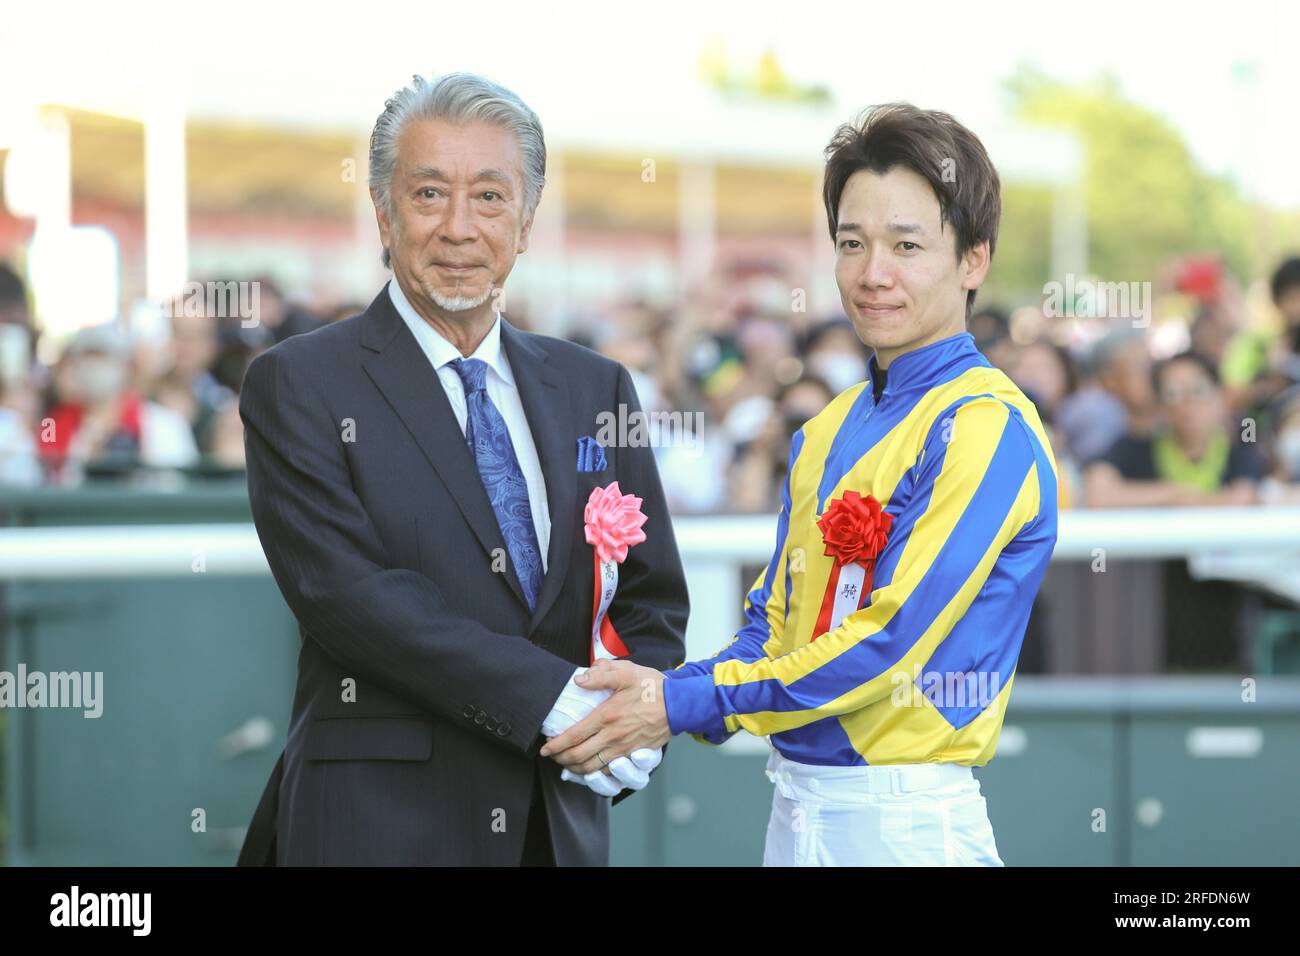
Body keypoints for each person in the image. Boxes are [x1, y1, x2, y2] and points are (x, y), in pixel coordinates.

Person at [545, 102, 1059, 866]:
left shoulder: (986, 427)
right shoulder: (826, 428)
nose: (872, 273)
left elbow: (888, 645)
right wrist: (654, 690)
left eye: (906, 245)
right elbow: (773, 631)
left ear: (974, 259)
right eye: (851, 243)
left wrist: (678, 703)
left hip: (907, 820)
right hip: (794, 809)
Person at [236, 72, 687, 866]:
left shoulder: (593, 387)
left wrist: (632, 714)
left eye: (488, 197)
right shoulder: (300, 382)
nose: (458, 228)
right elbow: (350, 598)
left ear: (526, 221)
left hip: (558, 824)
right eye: (428, 194)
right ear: (382, 211)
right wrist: (549, 698)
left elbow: (649, 597)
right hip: (378, 828)